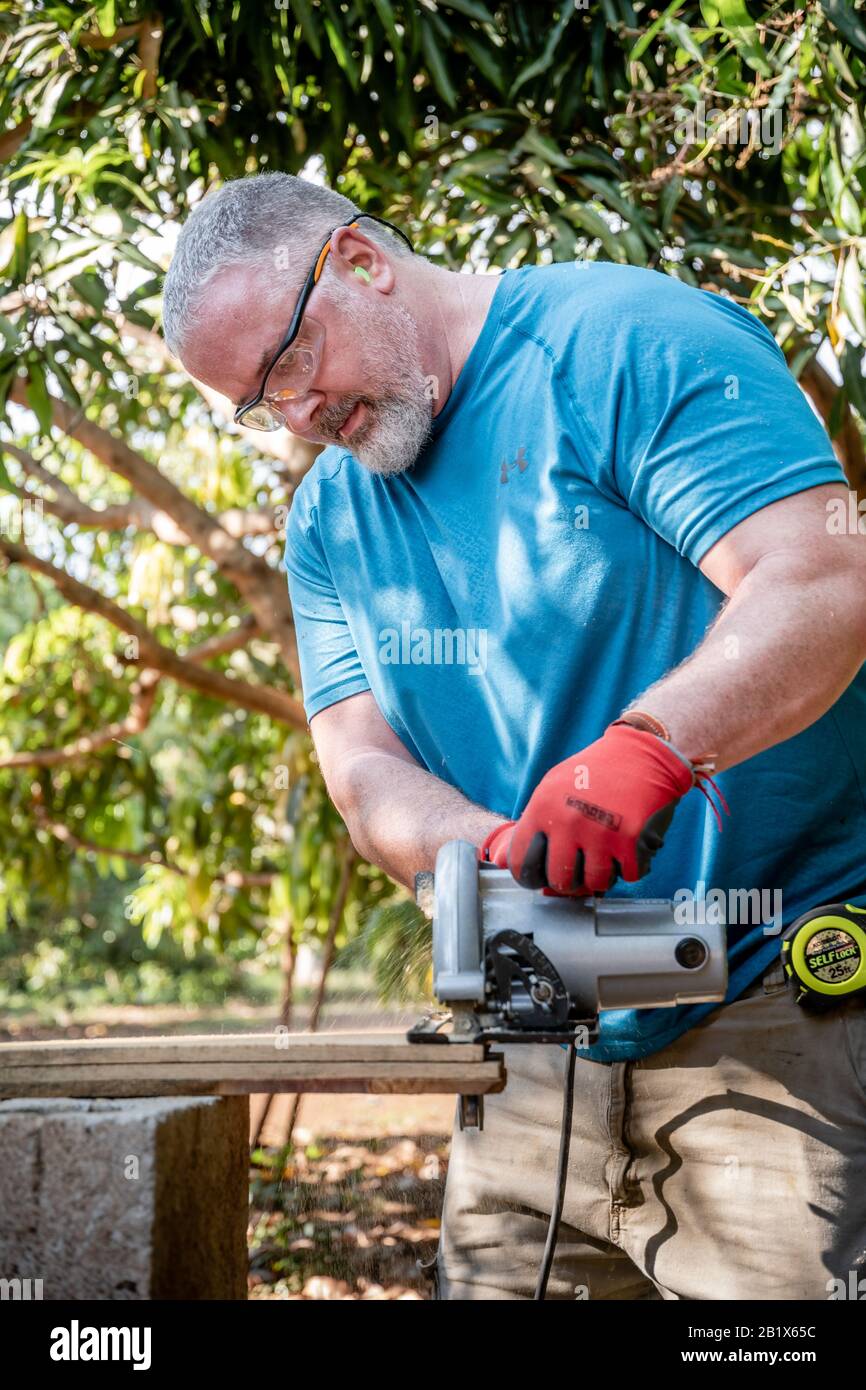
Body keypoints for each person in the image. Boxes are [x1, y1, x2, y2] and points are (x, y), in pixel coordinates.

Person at [162, 172, 866, 1300]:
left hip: (778, 1011)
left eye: (290, 362)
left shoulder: (623, 344)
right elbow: (362, 763)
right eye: (258, 401)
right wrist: (481, 852)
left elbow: (822, 583)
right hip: (534, 1057)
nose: (296, 417)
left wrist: (650, 749)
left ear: (358, 260)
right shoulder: (330, 522)